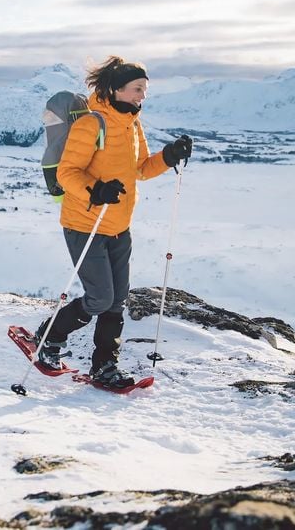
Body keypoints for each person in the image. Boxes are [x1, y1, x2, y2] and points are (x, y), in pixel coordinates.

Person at [33, 57, 192, 389]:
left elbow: (140, 169)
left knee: (117, 301)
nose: (141, 97)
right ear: (117, 89)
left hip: (119, 225)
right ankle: (48, 337)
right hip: (84, 223)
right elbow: (67, 172)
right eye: (137, 90)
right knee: (100, 298)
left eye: (144, 91)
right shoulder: (92, 124)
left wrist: (168, 156)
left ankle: (105, 365)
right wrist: (96, 190)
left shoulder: (133, 125)